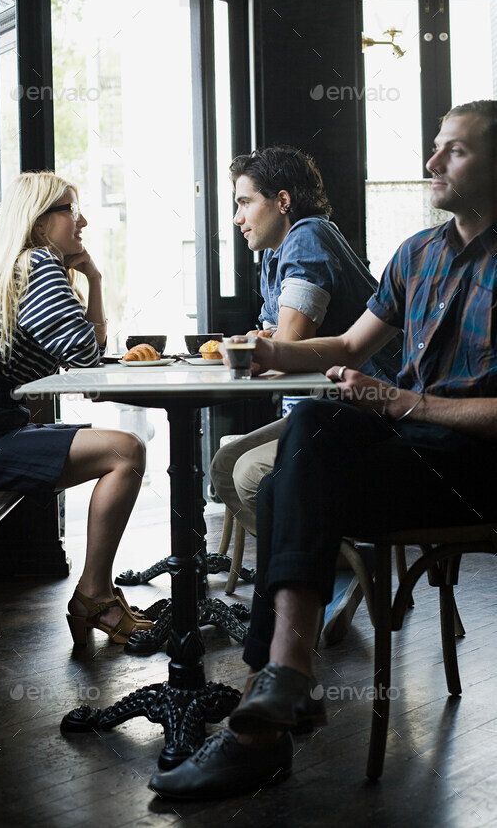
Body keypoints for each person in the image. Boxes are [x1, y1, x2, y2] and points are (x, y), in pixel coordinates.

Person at [149, 99, 497, 798]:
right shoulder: (418, 253)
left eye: (454, 150)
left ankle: (268, 716)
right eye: (436, 145)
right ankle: (282, 684)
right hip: (409, 448)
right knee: (308, 429)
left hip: (474, 467)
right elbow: (347, 345)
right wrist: (272, 351)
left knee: (286, 483)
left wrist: (402, 402)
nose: (432, 162)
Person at [0, 171, 153, 647]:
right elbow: (86, 356)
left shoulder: (28, 265)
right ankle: (94, 596)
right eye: (71, 211)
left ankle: (95, 595)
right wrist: (93, 280)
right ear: (38, 223)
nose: (83, 221)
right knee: (127, 452)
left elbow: (85, 354)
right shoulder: (37, 264)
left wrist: (93, 278)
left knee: (125, 450)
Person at [210, 145, 401, 641]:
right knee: (225, 464)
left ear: (283, 200)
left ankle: (326, 578)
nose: (237, 219)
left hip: (369, 410)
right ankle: (333, 566)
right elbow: (273, 338)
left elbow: (286, 344)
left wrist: (267, 343)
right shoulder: (278, 253)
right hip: (325, 408)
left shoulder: (307, 237)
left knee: (249, 475)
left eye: (245, 203)